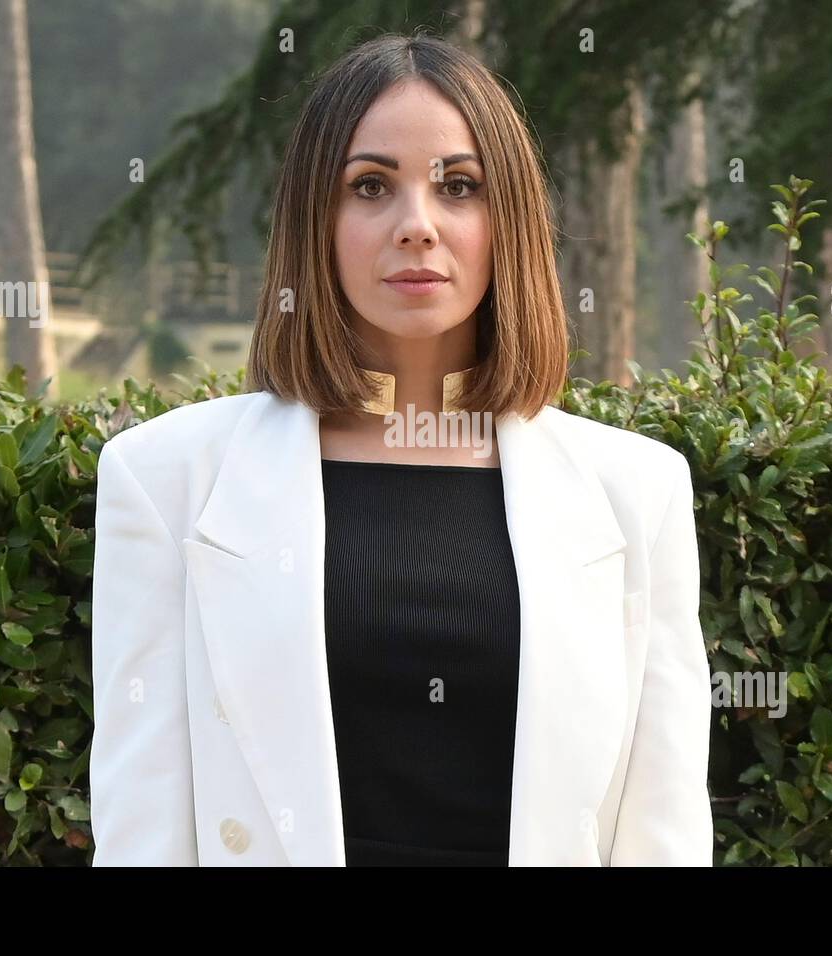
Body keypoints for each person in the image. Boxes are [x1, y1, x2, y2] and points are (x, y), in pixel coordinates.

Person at [89, 32, 712, 866]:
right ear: (317, 219)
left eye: (459, 186)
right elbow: (143, 825)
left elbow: (662, 827)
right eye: (370, 186)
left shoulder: (638, 492)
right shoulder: (166, 481)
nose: (417, 226)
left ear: (509, 221)